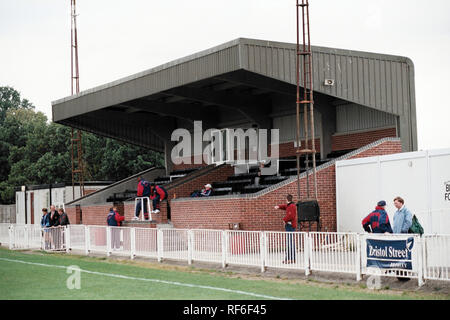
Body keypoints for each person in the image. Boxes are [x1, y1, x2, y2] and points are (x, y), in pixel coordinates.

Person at [274, 194, 297, 264]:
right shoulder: (289, 205)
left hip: (290, 227)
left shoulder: (292, 206)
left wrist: (284, 220)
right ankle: (290, 259)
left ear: (286, 199)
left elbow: (291, 216)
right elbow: (284, 206)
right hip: (289, 226)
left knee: (290, 243)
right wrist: (278, 207)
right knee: (290, 243)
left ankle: (290, 259)